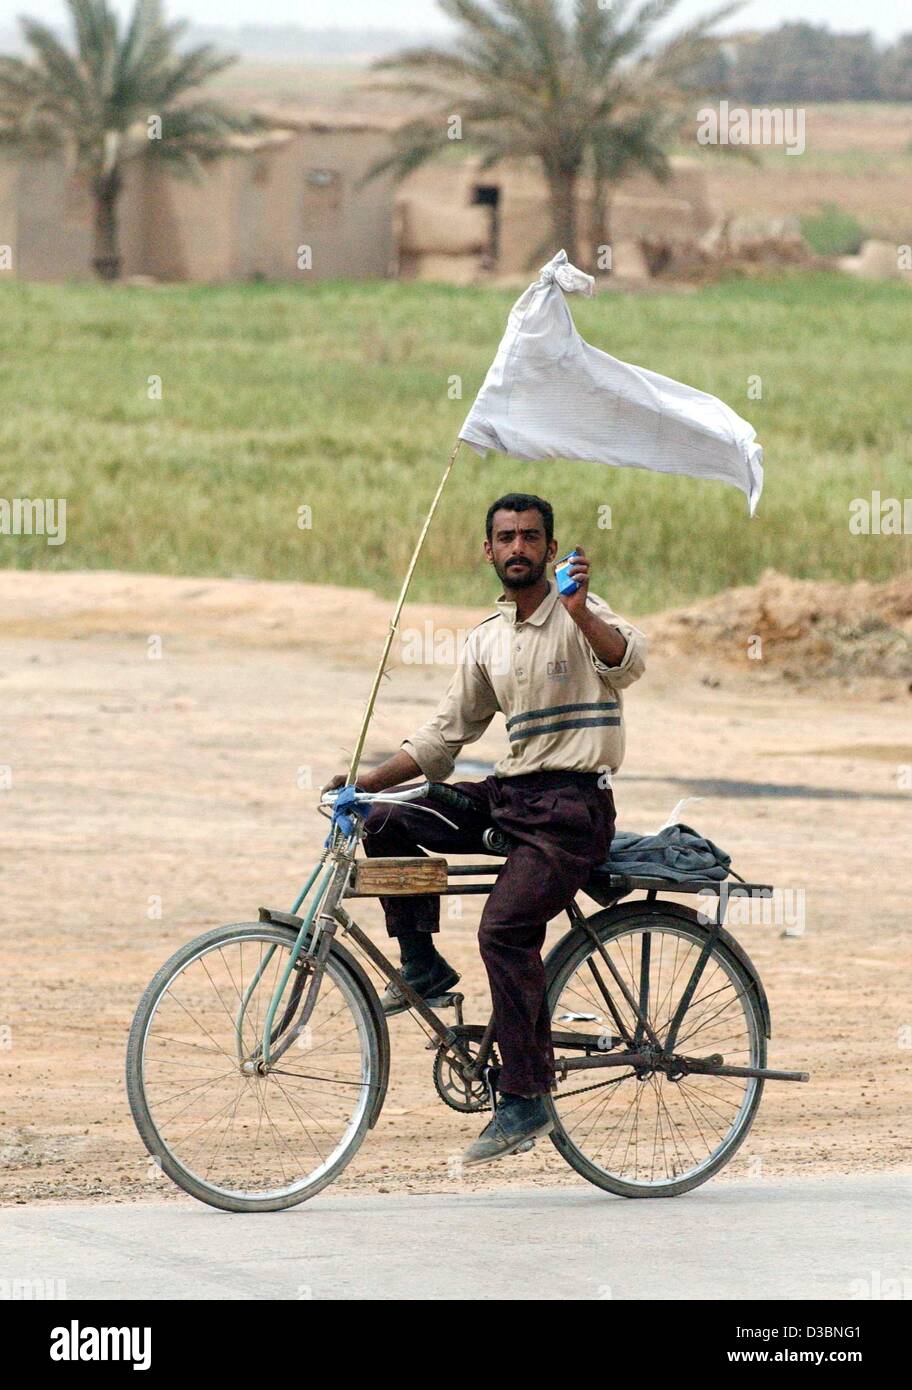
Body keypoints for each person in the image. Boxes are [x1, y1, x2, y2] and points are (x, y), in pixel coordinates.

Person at [322, 492, 646, 1165]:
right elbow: (443, 737)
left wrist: (583, 611)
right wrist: (363, 782)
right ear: (489, 550)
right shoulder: (487, 639)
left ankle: (526, 1097)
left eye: (531, 537)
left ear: (550, 549)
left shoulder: (580, 615)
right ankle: (423, 963)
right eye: (507, 537)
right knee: (387, 821)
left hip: (572, 810)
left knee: (503, 931)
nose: (519, 548)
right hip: (511, 797)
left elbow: (629, 662)